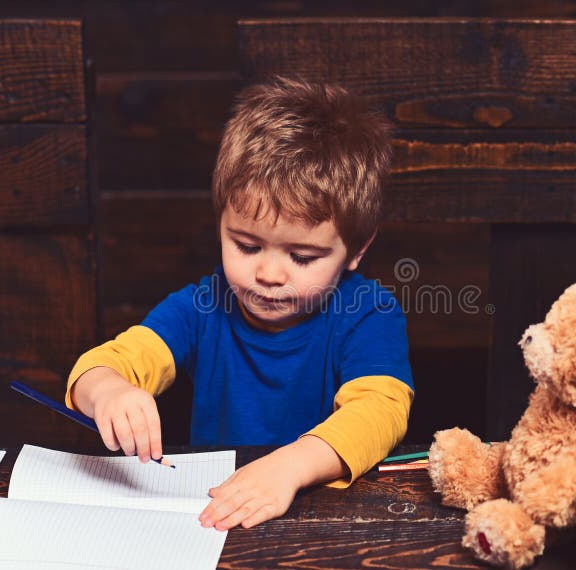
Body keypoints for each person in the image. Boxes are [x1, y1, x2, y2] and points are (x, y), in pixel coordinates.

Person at [65, 76, 414, 531]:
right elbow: (100, 368)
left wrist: (291, 467)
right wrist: (108, 391)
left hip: (324, 522)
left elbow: (381, 411)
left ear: (356, 251)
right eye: (247, 246)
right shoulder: (203, 306)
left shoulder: (368, 313)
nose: (268, 274)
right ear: (221, 225)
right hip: (216, 516)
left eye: (302, 257)